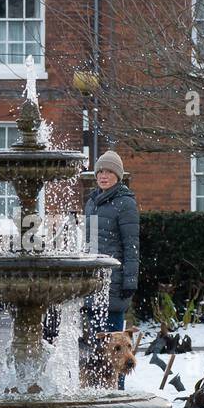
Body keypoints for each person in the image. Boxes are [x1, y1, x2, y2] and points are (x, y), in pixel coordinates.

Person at [84, 150, 139, 388]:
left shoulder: (125, 204)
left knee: (117, 351)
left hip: (115, 284)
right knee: (95, 350)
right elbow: (89, 245)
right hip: (93, 284)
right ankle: (96, 394)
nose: (103, 176)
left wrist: (130, 281)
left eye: (108, 172)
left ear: (118, 175)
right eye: (100, 171)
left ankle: (117, 395)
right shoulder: (92, 202)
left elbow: (131, 245)